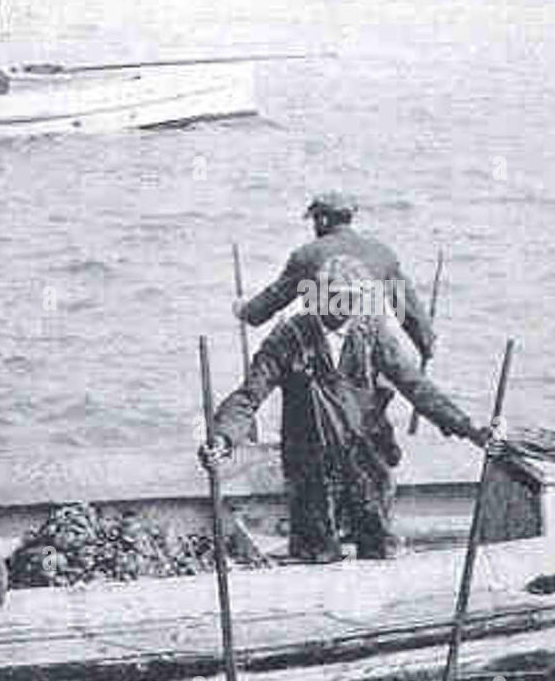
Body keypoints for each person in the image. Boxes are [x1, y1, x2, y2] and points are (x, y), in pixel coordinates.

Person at [202, 256, 503, 563]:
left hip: (366, 460)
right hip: (311, 465)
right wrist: (223, 438)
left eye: (353, 299)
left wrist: (469, 428)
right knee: (315, 555)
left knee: (379, 550)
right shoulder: (289, 337)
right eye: (334, 298)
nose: (344, 308)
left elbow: (417, 387)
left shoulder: (372, 333)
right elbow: (249, 396)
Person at [234, 192, 436, 363]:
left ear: (323, 220)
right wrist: (425, 345)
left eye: (314, 220)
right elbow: (408, 311)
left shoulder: (307, 255)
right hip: (372, 354)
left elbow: (269, 303)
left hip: (326, 358)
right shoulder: (382, 254)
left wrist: (244, 311)